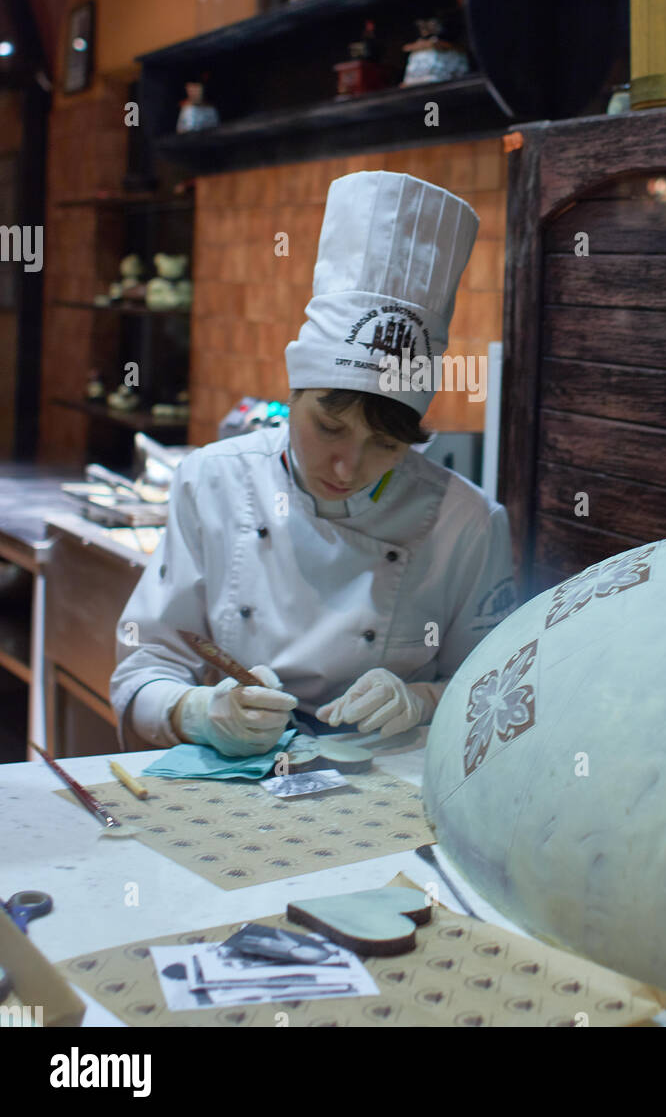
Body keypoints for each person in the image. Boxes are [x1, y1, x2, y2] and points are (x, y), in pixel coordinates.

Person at [110, 169, 518, 754]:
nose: (347, 468)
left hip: (384, 794)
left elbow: (497, 696)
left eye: (386, 445)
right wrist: (196, 711)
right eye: (329, 427)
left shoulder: (467, 521)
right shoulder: (212, 480)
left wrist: (424, 702)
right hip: (235, 783)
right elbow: (141, 669)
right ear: (294, 391)